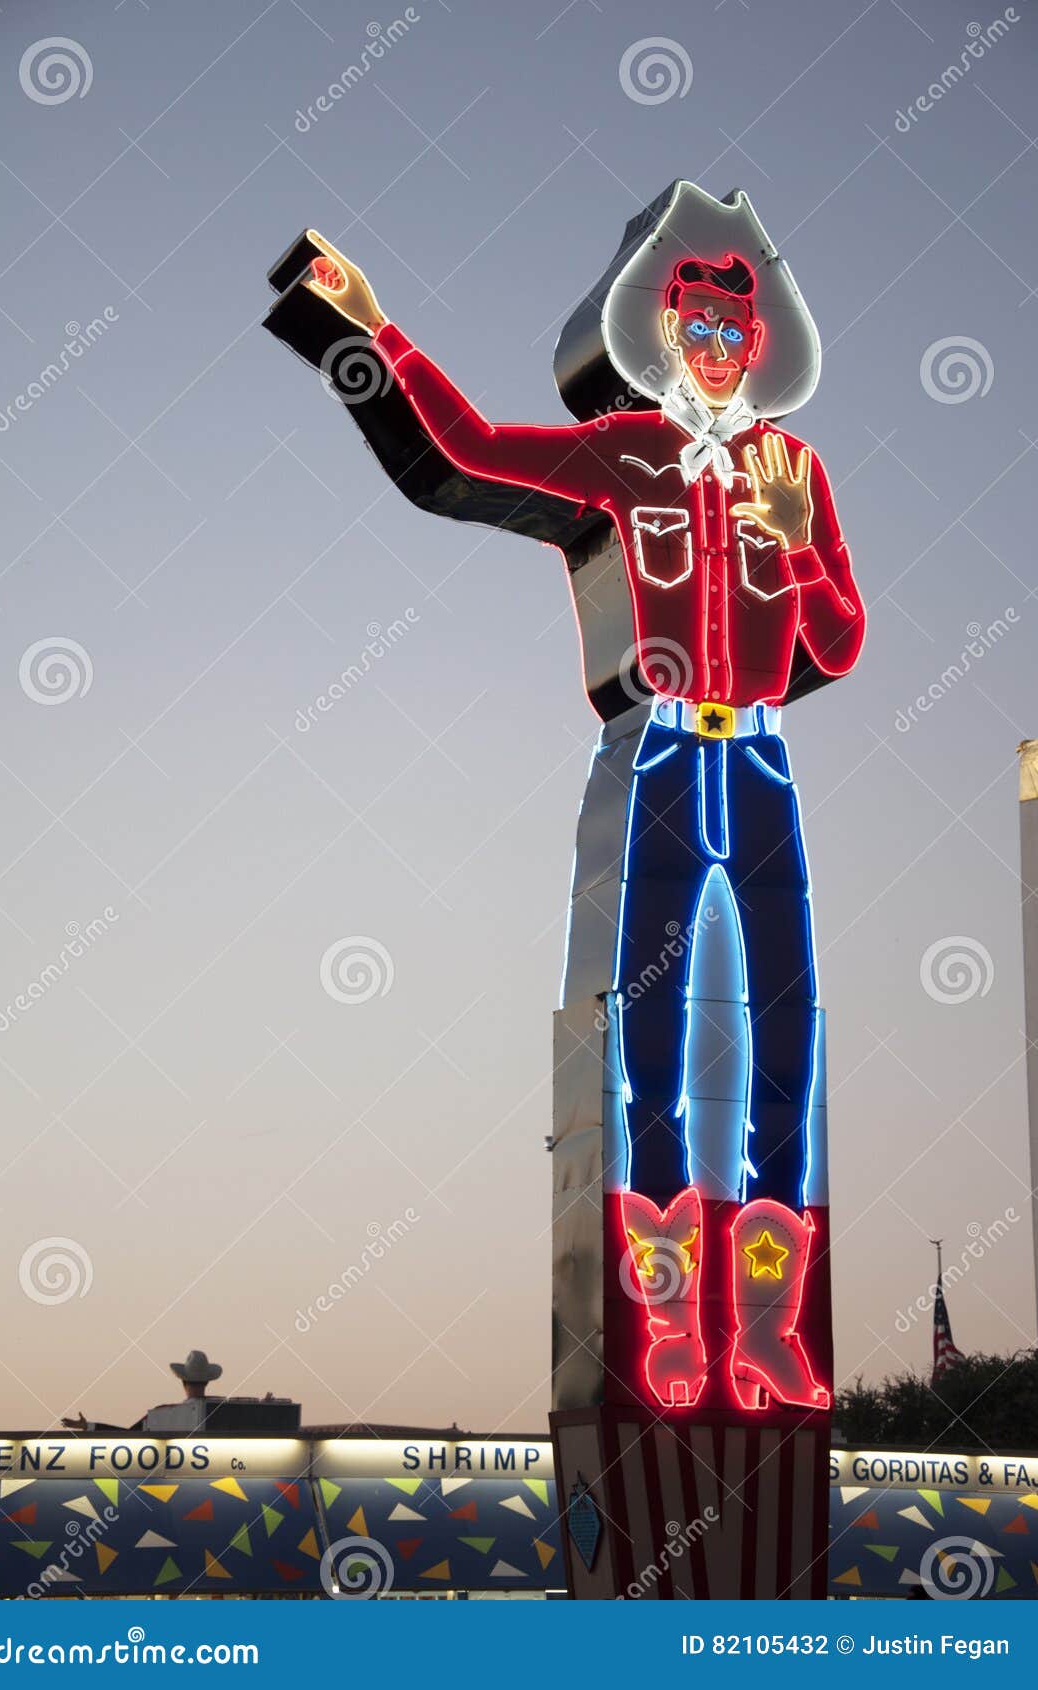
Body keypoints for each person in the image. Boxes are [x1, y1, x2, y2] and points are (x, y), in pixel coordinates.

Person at [299, 229, 865, 1413]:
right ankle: (661, 1326)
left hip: (761, 767)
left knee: (783, 1048)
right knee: (642, 1043)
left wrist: (798, 545)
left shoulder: (794, 470)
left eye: (735, 333)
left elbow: (838, 645)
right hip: (655, 751)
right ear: (663, 335)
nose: (715, 350)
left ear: (758, 347)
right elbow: (457, 456)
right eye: (696, 328)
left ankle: (765, 1330)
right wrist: (364, 327)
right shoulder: (625, 454)